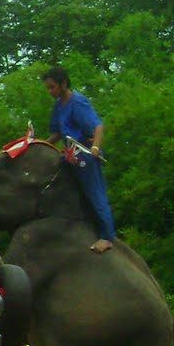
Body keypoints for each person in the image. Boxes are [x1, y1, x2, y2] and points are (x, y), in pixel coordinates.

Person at [42, 64, 117, 254]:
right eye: (48, 88)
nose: (50, 91)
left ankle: (107, 236)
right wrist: (39, 144)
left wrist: (95, 148)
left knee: (94, 193)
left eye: (52, 87)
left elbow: (97, 126)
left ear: (63, 83)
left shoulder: (78, 102)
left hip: (84, 153)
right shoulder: (58, 105)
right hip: (68, 155)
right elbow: (58, 133)